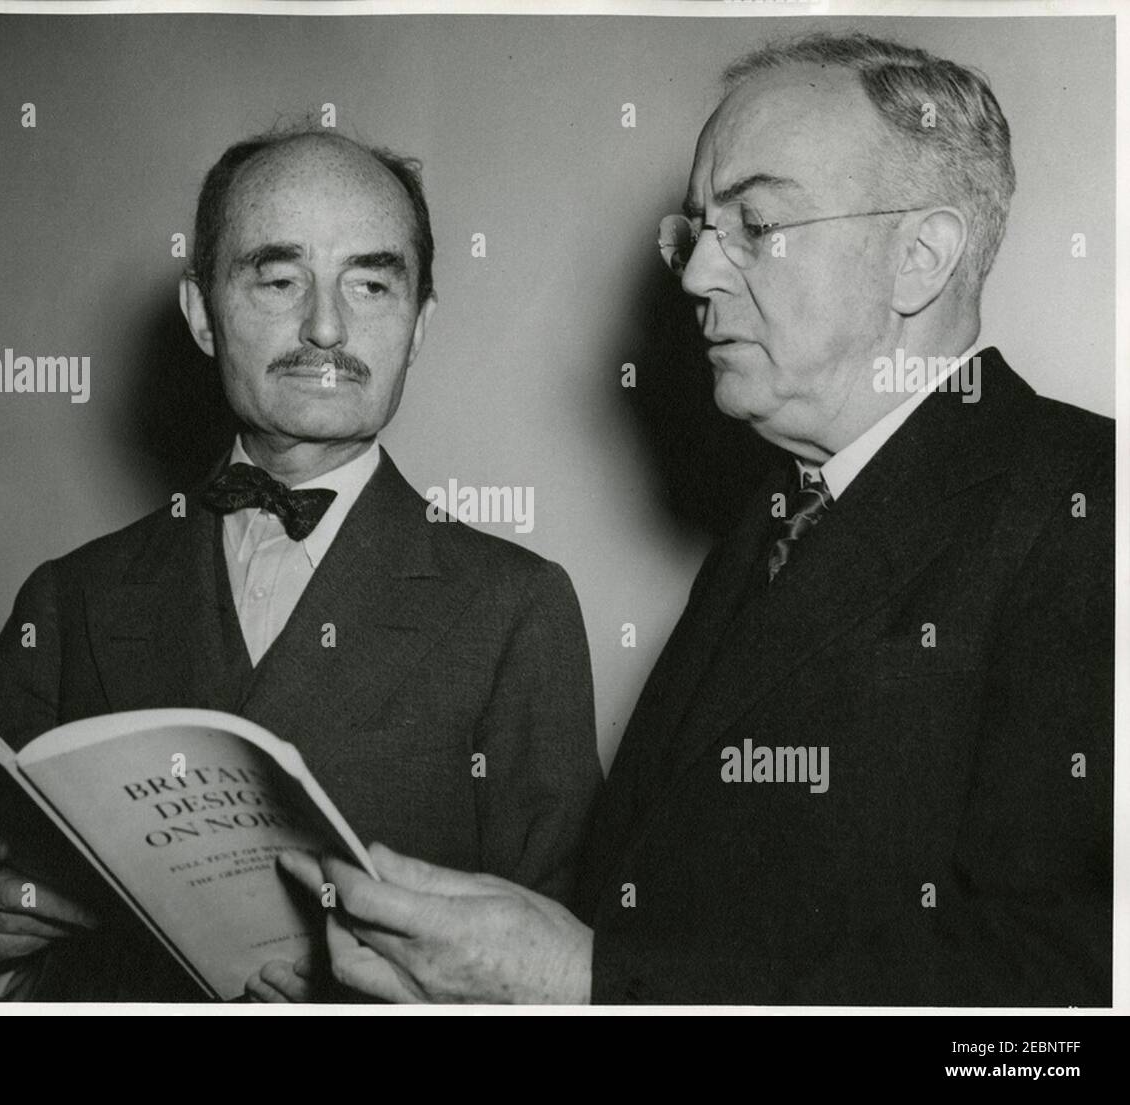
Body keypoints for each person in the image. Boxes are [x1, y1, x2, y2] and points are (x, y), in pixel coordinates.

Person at [272, 32, 1113, 1006]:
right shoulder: (780, 513)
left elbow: (1056, 998)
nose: (696, 275)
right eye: (696, 232)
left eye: (754, 226)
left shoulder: (1086, 509)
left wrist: (587, 979)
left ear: (918, 257)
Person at [0, 129, 602, 1001]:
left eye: (371, 282)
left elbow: (564, 974)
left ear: (420, 324)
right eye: (280, 281)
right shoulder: (68, 600)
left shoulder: (517, 609)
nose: (326, 326)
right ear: (202, 313)